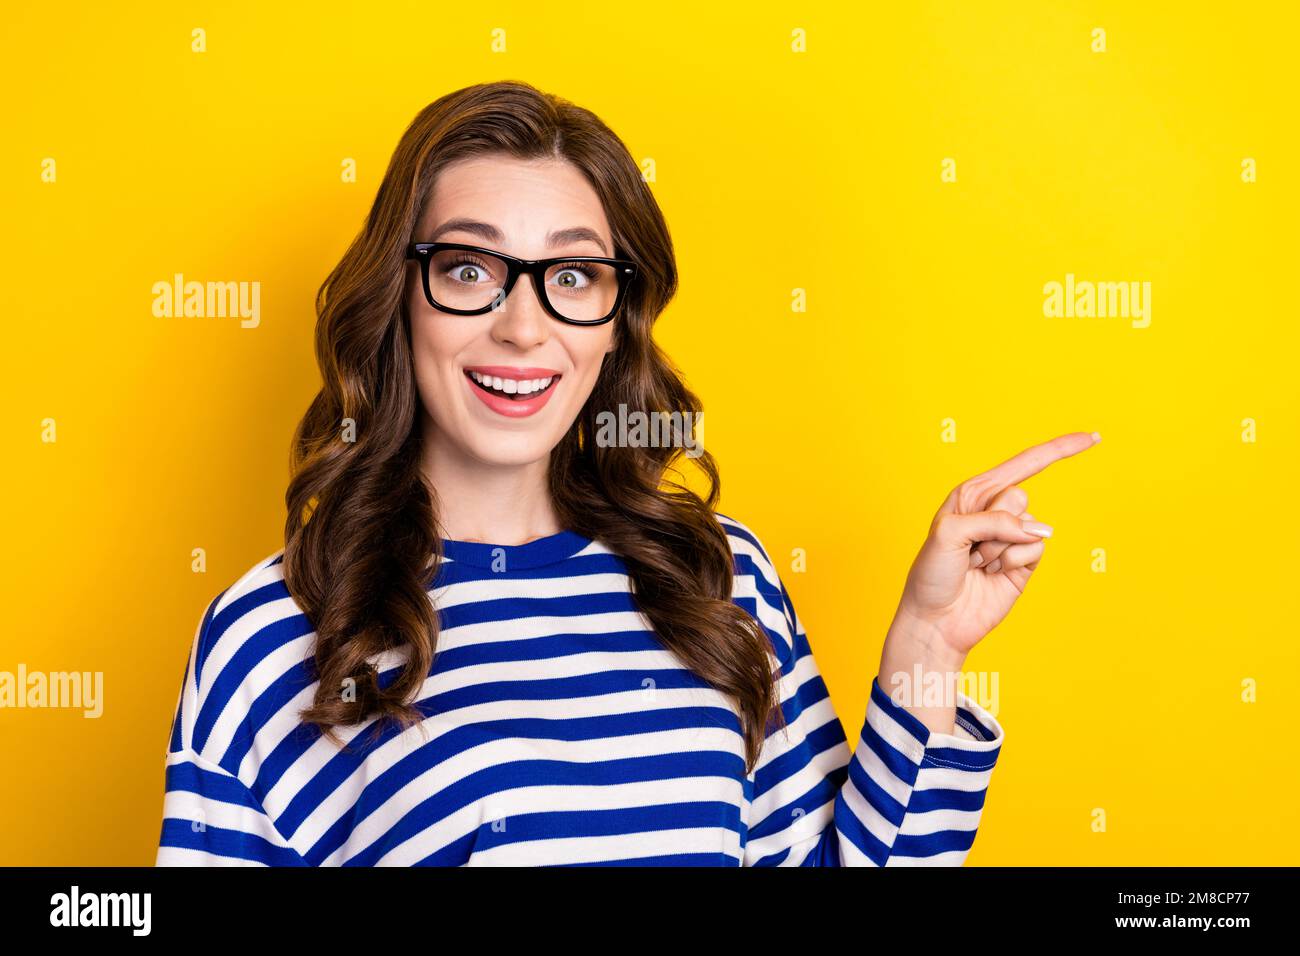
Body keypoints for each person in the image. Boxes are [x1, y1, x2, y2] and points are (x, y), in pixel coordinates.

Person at [156, 80, 1099, 866]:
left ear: (615, 324)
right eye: (471, 268)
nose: (524, 327)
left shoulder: (713, 576)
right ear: (400, 296)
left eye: (571, 277)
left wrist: (929, 653)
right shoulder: (281, 628)